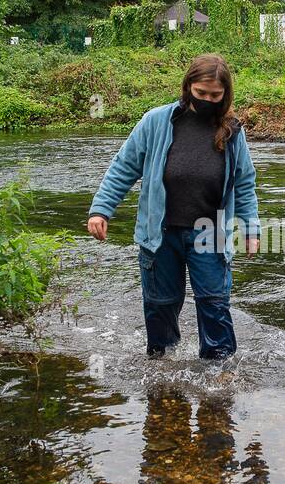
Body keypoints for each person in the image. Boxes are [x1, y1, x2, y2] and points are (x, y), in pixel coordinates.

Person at [87, 54, 260, 360]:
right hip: (161, 233)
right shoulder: (156, 122)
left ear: (225, 94)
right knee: (160, 303)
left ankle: (220, 370)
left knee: (214, 302)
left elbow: (244, 184)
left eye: (215, 95)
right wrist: (101, 209)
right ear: (188, 87)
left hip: (211, 233)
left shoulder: (232, 131)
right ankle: (162, 365)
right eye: (201, 93)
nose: (208, 100)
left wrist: (250, 228)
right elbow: (123, 167)